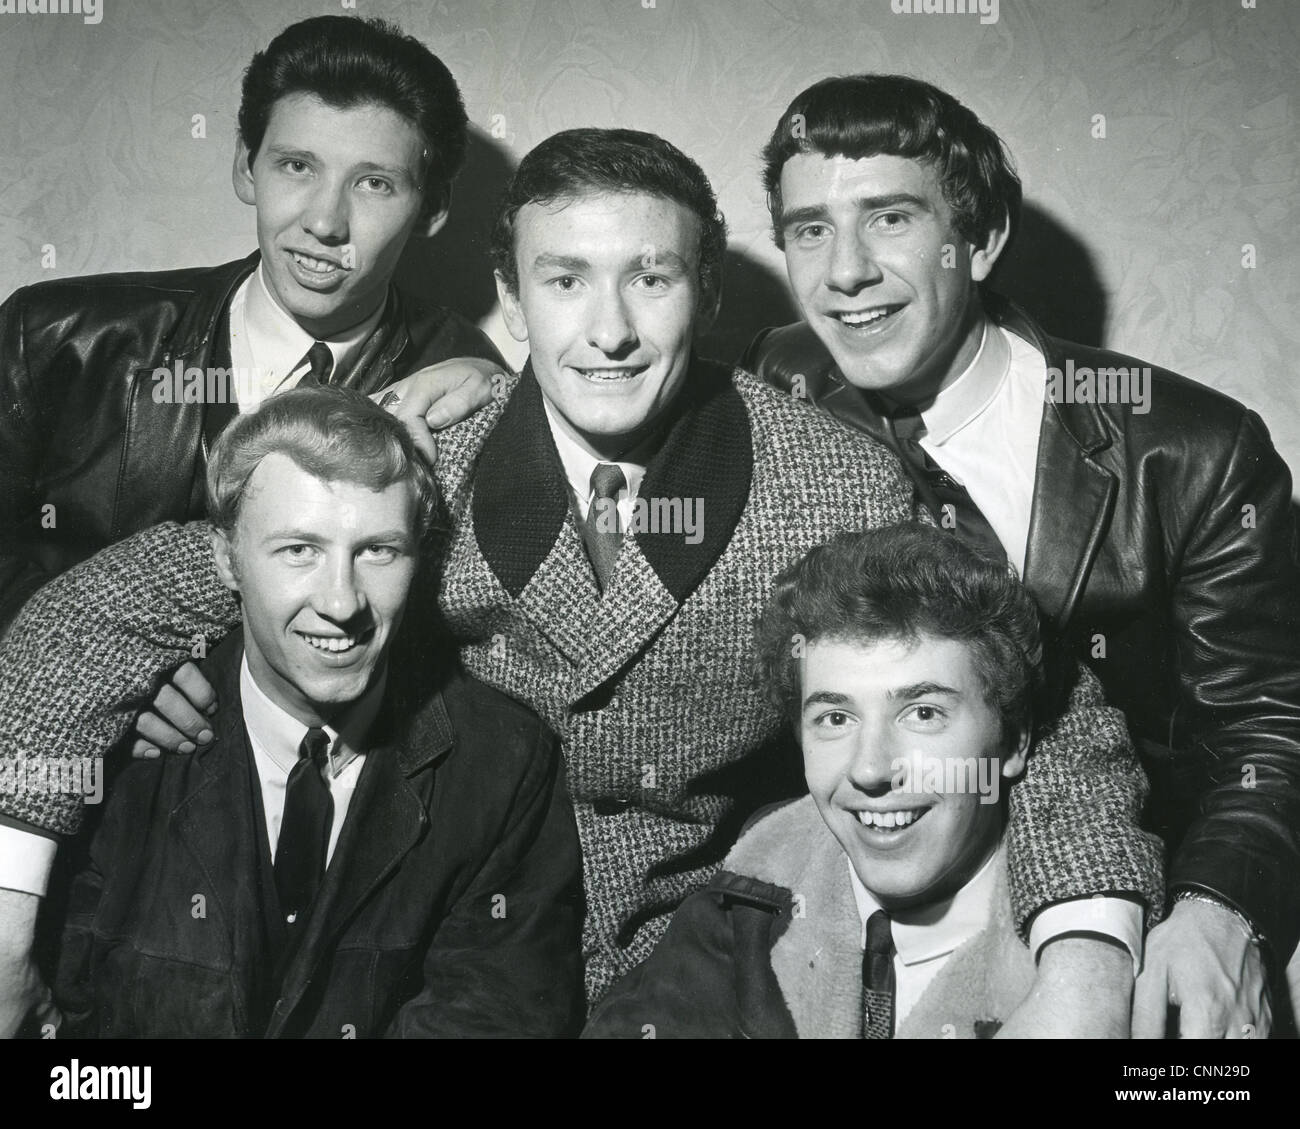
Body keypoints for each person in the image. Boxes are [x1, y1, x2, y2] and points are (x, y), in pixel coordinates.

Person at [0, 129, 1161, 1029]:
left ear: (707, 296)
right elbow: (99, 612)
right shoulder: (417, 467)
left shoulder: (835, 481)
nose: (606, 331)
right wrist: (9, 913)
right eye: (565, 281)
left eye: (649, 280)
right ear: (509, 303)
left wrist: (1087, 963)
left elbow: (1043, 703)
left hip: (712, 974)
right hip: (439, 967)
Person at [739, 73, 1300, 1037]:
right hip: (862, 908)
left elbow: (1271, 729)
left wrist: (1220, 908)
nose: (845, 273)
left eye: (890, 218)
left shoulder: (1193, 450)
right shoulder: (773, 386)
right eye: (809, 230)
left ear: (982, 239)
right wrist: (470, 373)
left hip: (1128, 895)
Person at [47, 385, 582, 1038]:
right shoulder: (113, 738)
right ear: (226, 557)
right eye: (299, 549)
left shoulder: (503, 766)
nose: (341, 601)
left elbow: (495, 1018)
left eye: (377, 550)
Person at [0, 12, 503, 634]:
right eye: (297, 166)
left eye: (373, 183)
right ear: (246, 167)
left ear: (429, 210)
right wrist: (91, 656)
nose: (325, 222)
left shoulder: (465, 377)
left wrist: (515, 400)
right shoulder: (57, 338)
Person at [586, 524, 1160, 1038]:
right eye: (835, 719)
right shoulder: (747, 902)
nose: (870, 770)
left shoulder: (1125, 957)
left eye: (923, 713)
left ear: (1013, 741)